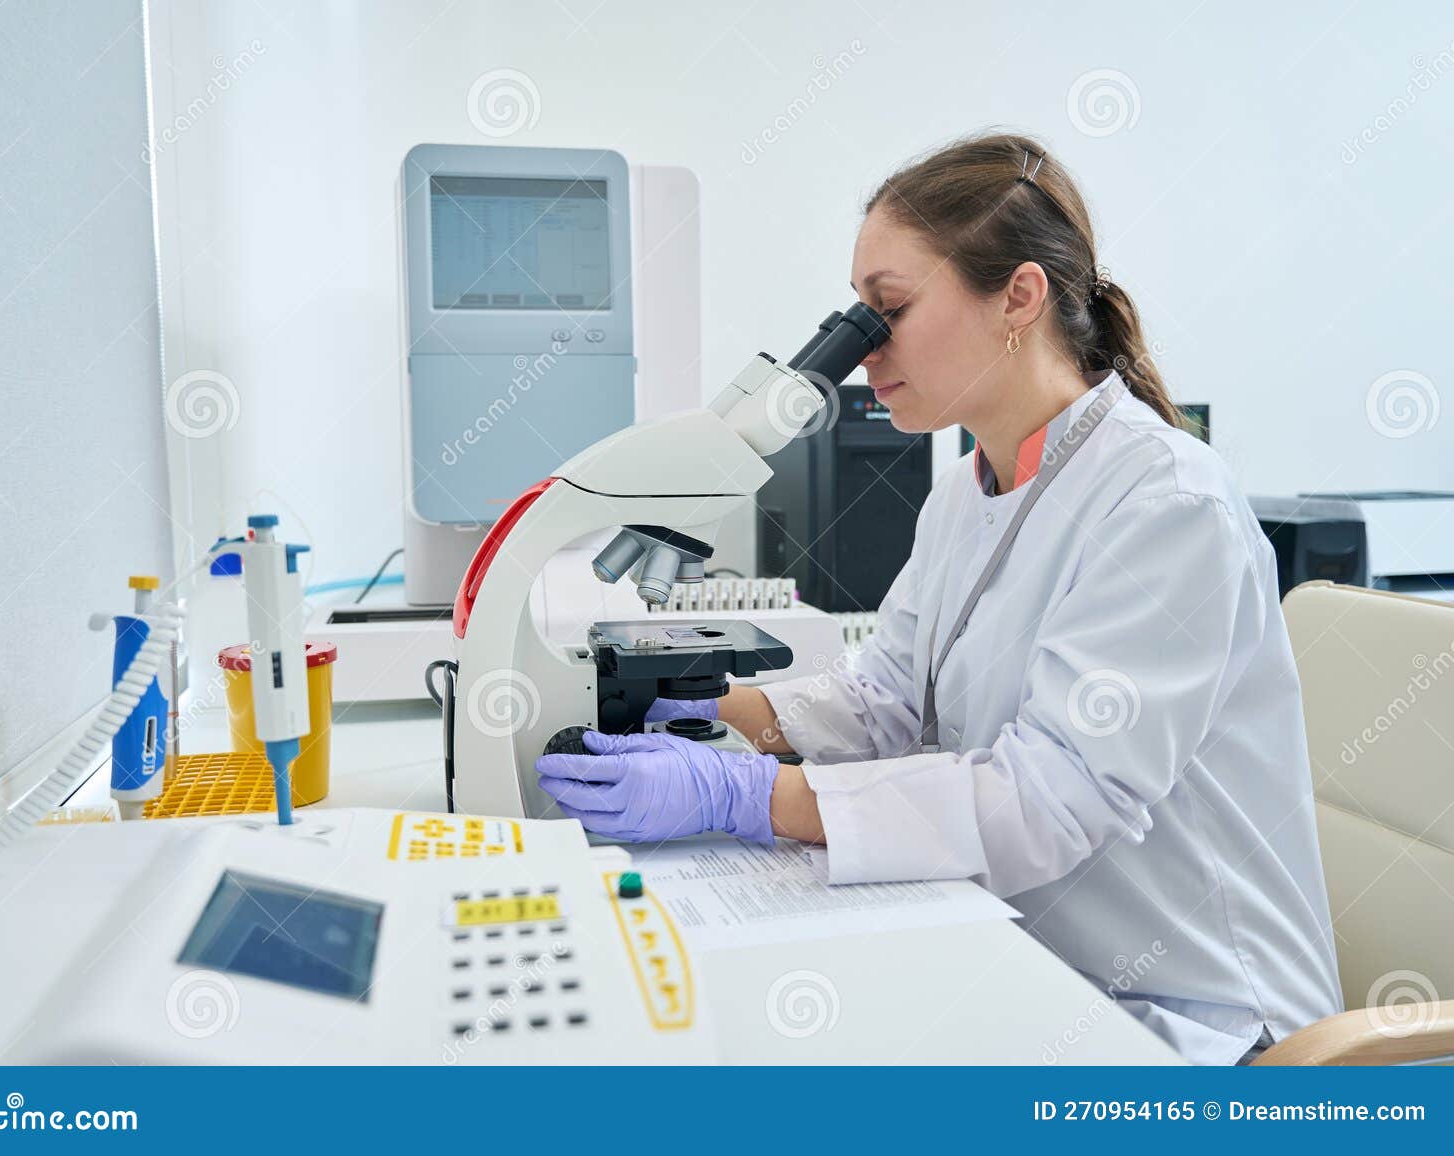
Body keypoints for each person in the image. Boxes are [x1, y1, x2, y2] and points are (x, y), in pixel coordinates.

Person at [535, 132, 1341, 1064]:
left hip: (1199, 1025)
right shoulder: (967, 488)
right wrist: (706, 709)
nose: (866, 352)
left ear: (1020, 297)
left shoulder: (1165, 503)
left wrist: (748, 794)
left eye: (891, 310)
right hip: (1023, 955)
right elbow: (883, 704)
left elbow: (1048, 802)